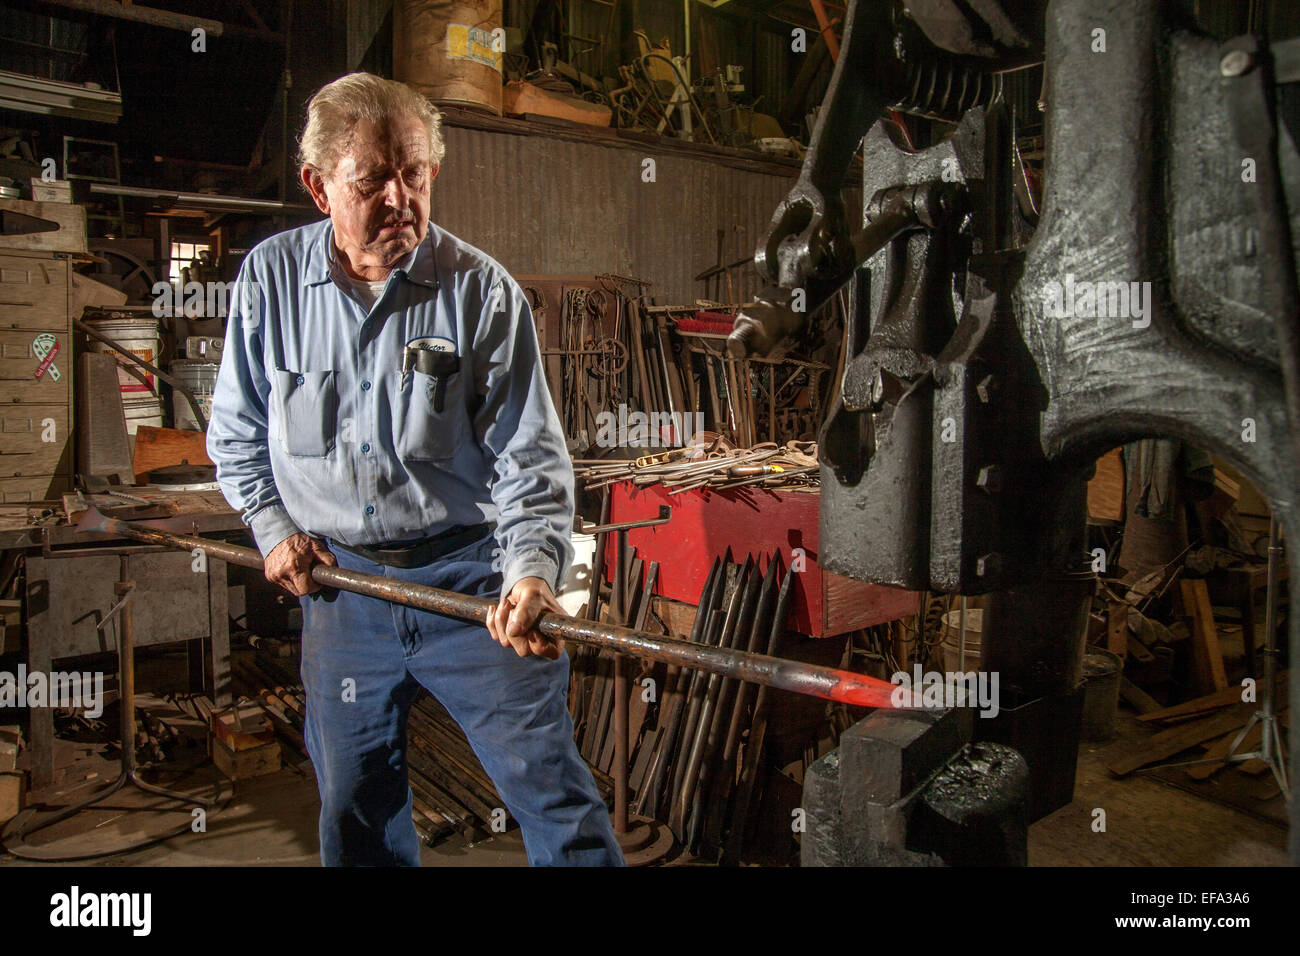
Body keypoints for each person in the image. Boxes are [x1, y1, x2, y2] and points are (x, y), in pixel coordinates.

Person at [206, 72, 622, 866]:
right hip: (343, 592)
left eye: (417, 174)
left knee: (553, 799)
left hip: (471, 587)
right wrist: (273, 530)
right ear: (319, 187)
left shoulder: (479, 293)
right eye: (372, 181)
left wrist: (532, 571)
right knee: (357, 811)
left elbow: (528, 457)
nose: (400, 199)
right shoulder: (269, 282)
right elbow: (235, 435)